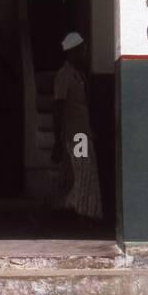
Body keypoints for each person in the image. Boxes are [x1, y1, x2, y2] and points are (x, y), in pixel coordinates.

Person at [51, 31, 103, 221]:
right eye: (81, 50)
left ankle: (74, 211)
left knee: (78, 175)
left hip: (83, 133)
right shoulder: (64, 76)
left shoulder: (78, 75)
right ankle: (76, 212)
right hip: (76, 136)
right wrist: (58, 140)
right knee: (82, 175)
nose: (85, 53)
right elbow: (59, 108)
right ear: (73, 51)